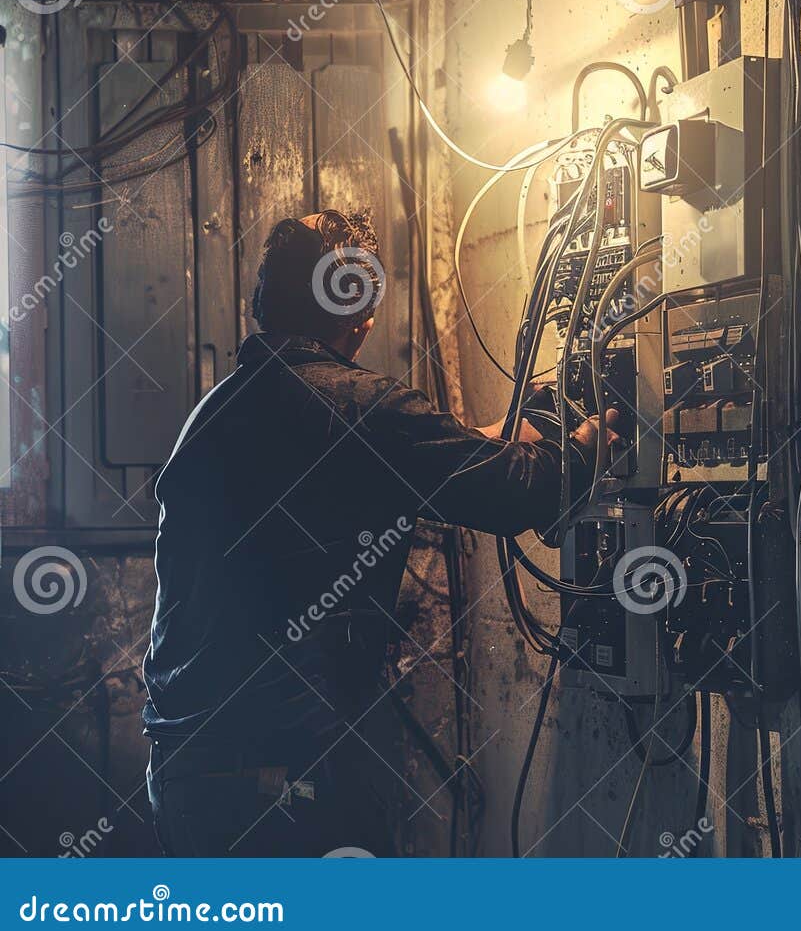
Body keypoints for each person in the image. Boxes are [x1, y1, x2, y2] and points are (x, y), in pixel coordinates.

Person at [142, 210, 610, 856]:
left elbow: (433, 455)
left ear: (265, 299)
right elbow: (514, 491)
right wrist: (589, 445)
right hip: (276, 785)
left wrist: (527, 422)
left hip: (185, 776)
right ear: (359, 315)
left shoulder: (217, 409)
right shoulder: (358, 407)